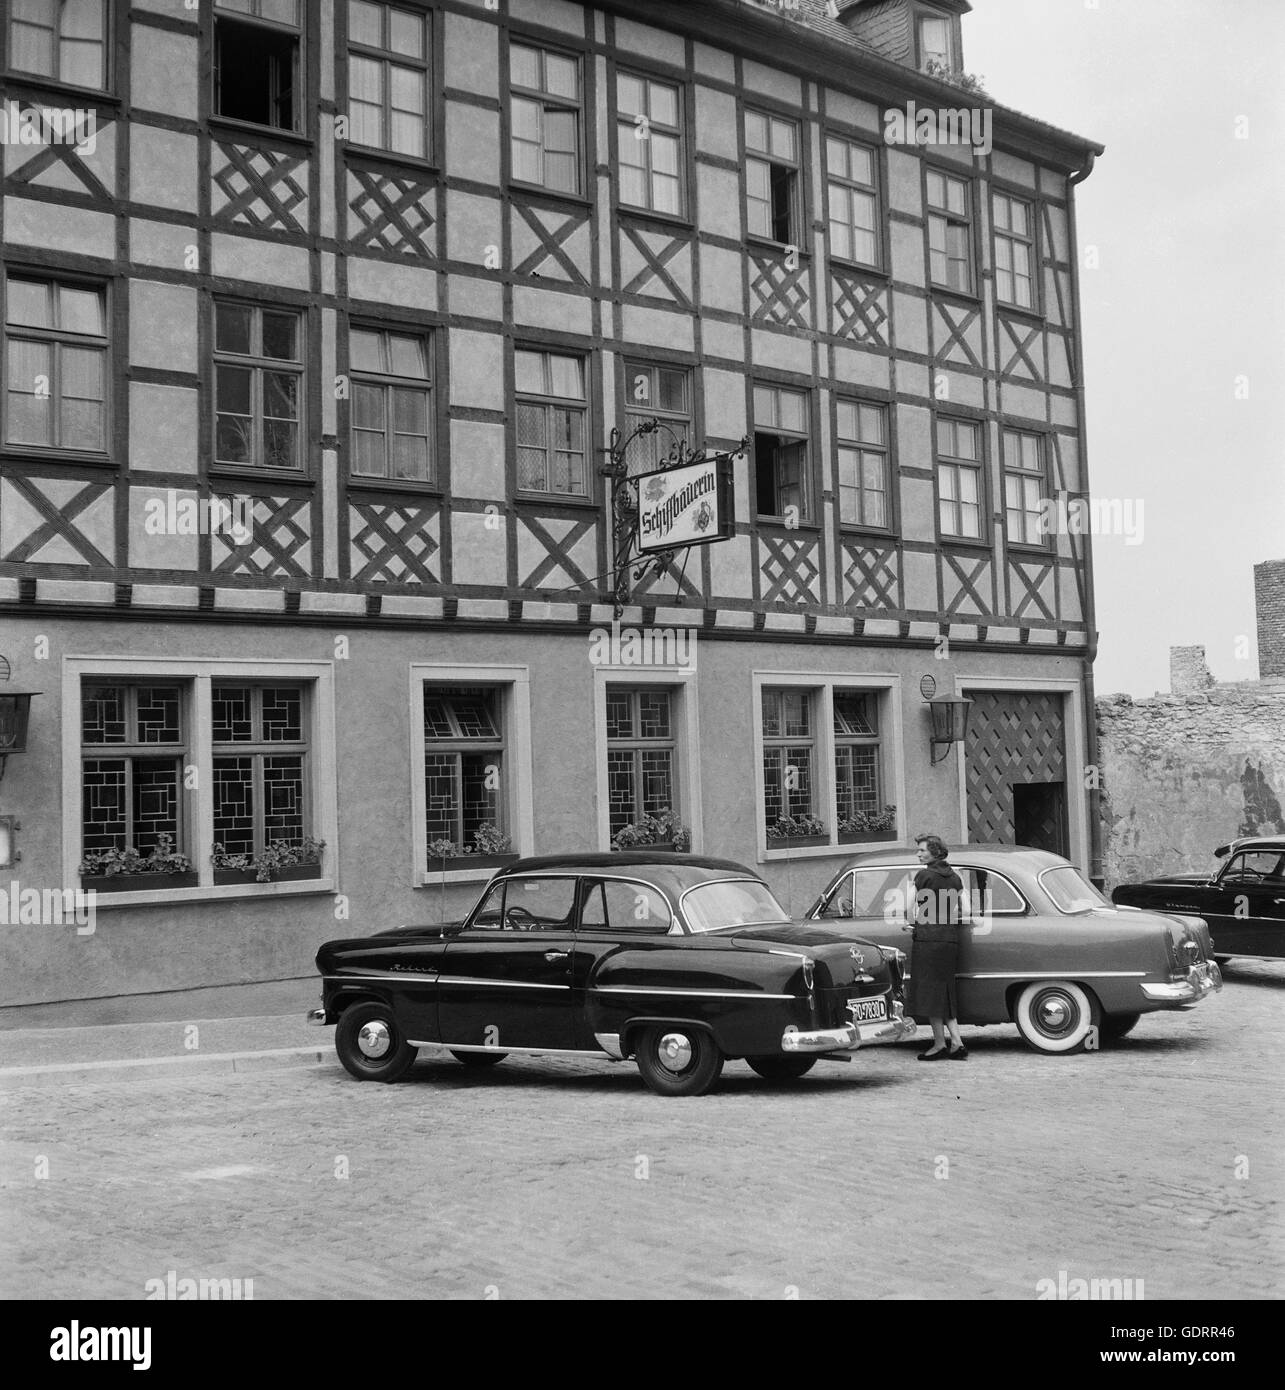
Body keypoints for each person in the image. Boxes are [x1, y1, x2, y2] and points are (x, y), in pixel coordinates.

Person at [907, 834, 968, 1060]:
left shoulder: (923, 875)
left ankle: (940, 1044)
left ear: (934, 852)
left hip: (927, 939)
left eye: (922, 850)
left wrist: (912, 922)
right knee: (946, 991)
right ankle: (957, 1042)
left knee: (931, 993)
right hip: (949, 939)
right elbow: (965, 910)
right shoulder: (955, 877)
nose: (918, 854)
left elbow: (907, 906)